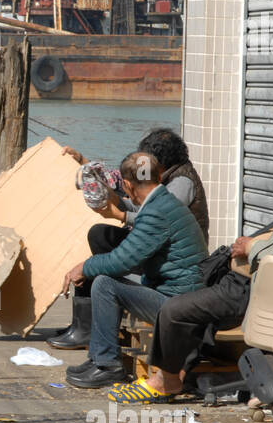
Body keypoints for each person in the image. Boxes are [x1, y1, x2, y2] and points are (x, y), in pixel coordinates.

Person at [110, 133, 273, 403]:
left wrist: (250, 248)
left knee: (174, 309)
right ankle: (179, 374)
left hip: (252, 286)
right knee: (194, 300)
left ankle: (165, 381)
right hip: (242, 281)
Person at [59, 151, 207, 389]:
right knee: (105, 278)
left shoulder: (156, 212)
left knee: (104, 283)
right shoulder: (163, 202)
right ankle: (98, 357)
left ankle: (107, 366)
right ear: (158, 176)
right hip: (178, 294)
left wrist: (83, 267)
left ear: (127, 185)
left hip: (178, 305)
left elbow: (122, 260)